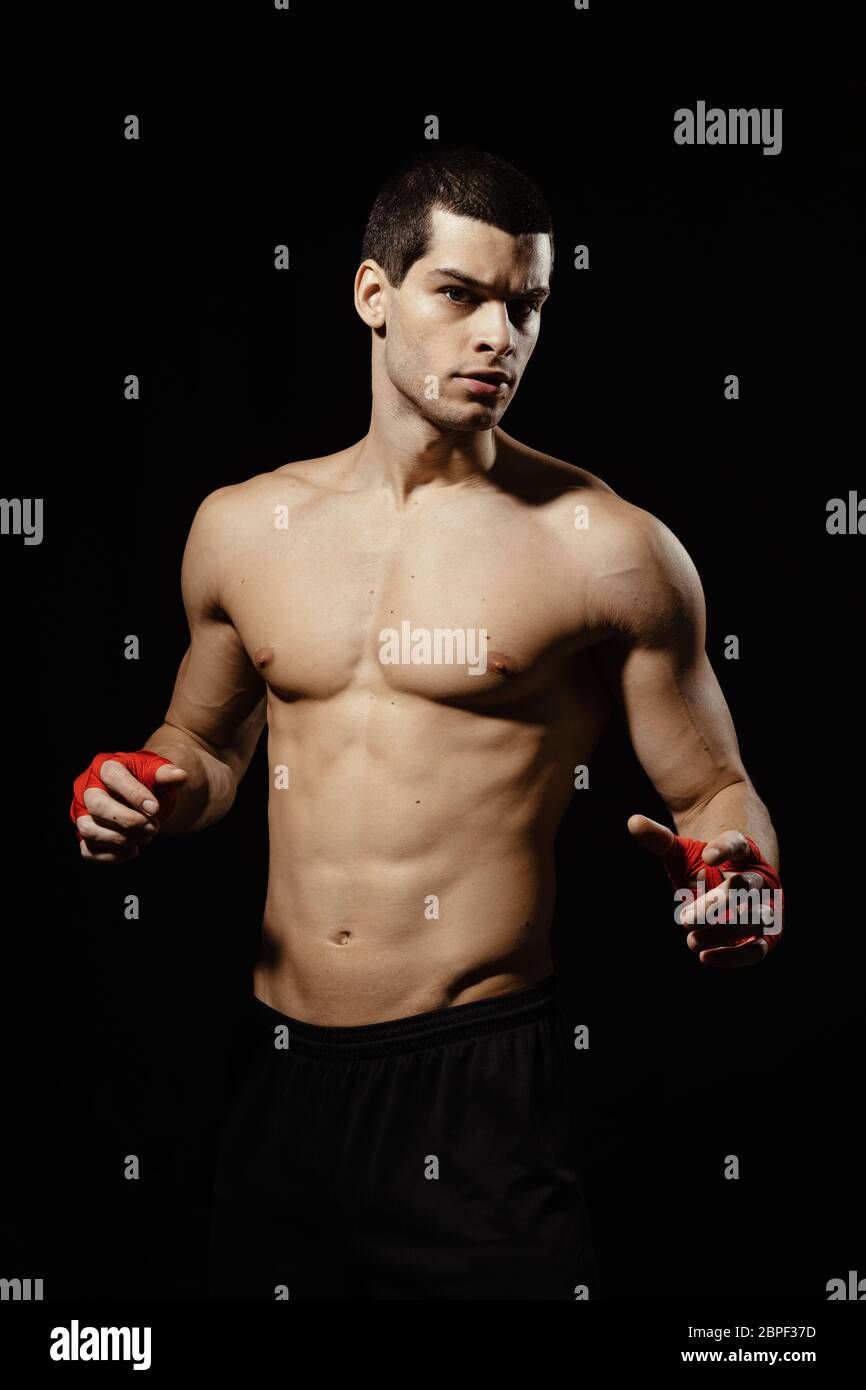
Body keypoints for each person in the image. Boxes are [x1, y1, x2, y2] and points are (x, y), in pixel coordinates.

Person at [70, 147, 783, 1300]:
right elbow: (200, 750)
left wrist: (739, 887)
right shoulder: (245, 527)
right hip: (278, 1069)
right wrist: (136, 790)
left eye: (526, 304)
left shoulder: (605, 547)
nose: (497, 336)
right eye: (459, 296)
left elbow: (715, 793)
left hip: (475, 1082)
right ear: (372, 295)